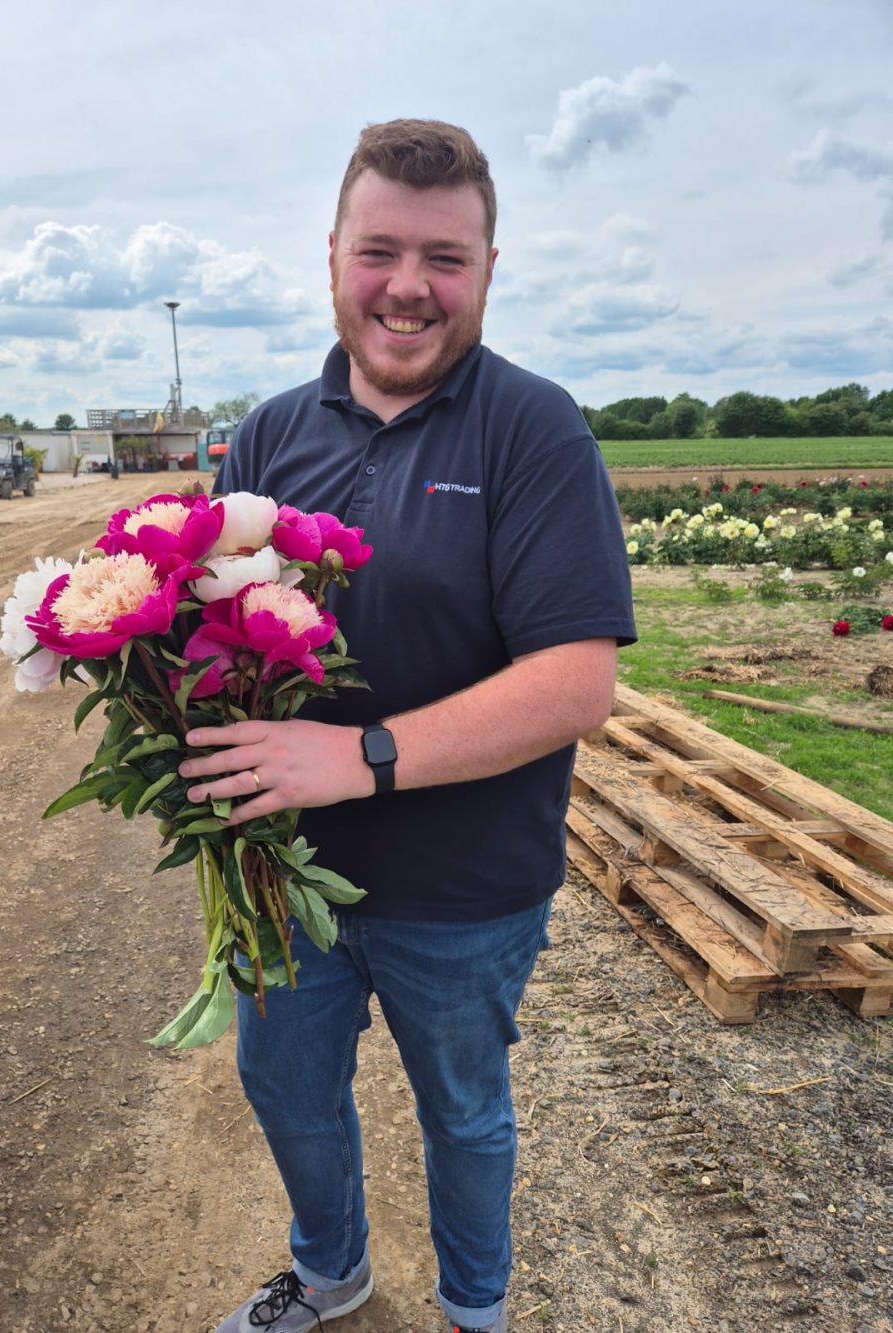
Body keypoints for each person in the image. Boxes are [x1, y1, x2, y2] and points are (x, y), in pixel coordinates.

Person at [181, 119, 637, 1333]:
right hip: (285, 869)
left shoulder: (532, 430)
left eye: (445, 258)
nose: (407, 287)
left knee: (464, 1108)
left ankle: (473, 1310)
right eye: (380, 250)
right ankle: (331, 1273)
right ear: (333, 256)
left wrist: (361, 754)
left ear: (488, 268)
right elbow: (205, 623)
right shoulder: (271, 433)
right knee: (288, 1090)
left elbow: (576, 681)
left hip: (466, 885)